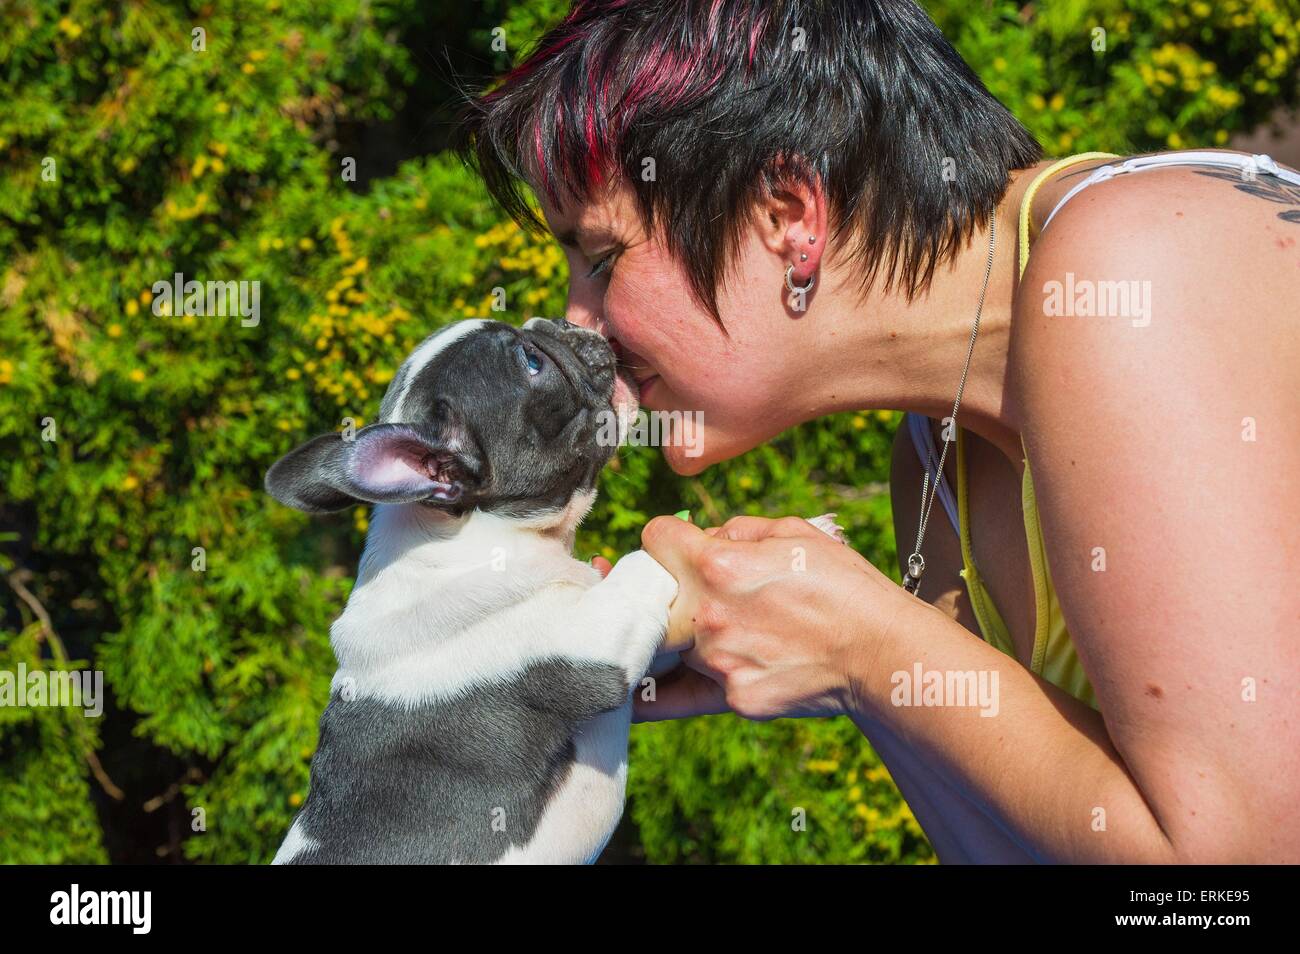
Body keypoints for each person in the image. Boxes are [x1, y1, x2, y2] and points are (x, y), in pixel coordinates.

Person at [459, 0, 1300, 862]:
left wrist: (866, 644)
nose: (580, 324)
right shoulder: (934, 464)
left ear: (788, 214)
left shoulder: (1130, 270)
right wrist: (839, 659)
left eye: (602, 260)